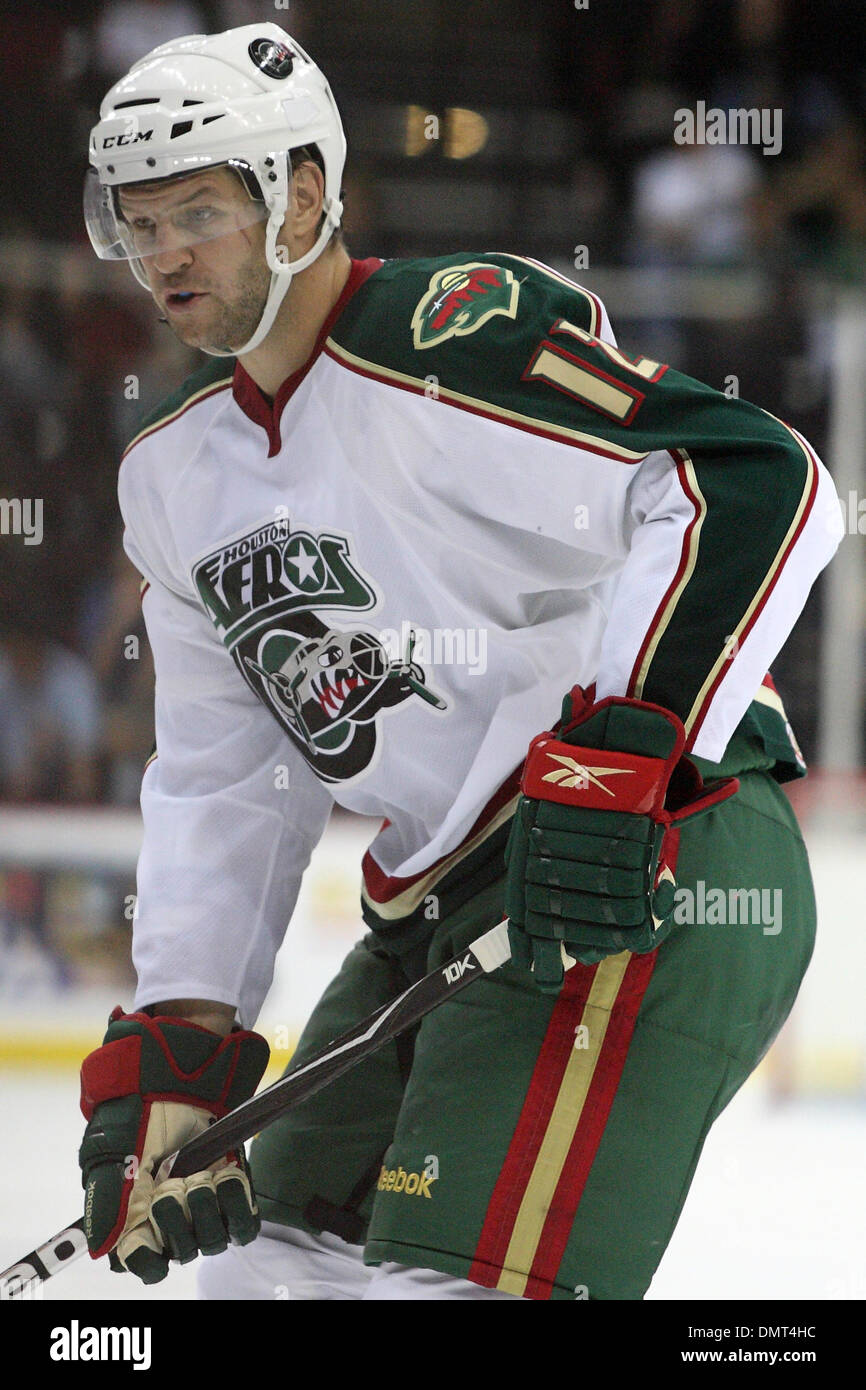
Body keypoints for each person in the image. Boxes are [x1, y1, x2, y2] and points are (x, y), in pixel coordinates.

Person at [77, 23, 842, 1301]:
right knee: (261, 1273)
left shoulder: (446, 337)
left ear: (302, 195)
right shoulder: (170, 475)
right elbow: (225, 777)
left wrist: (623, 752)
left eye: (197, 210)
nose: (163, 253)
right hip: (437, 914)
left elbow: (753, 477)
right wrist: (181, 1033)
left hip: (648, 859)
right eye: (137, 222)